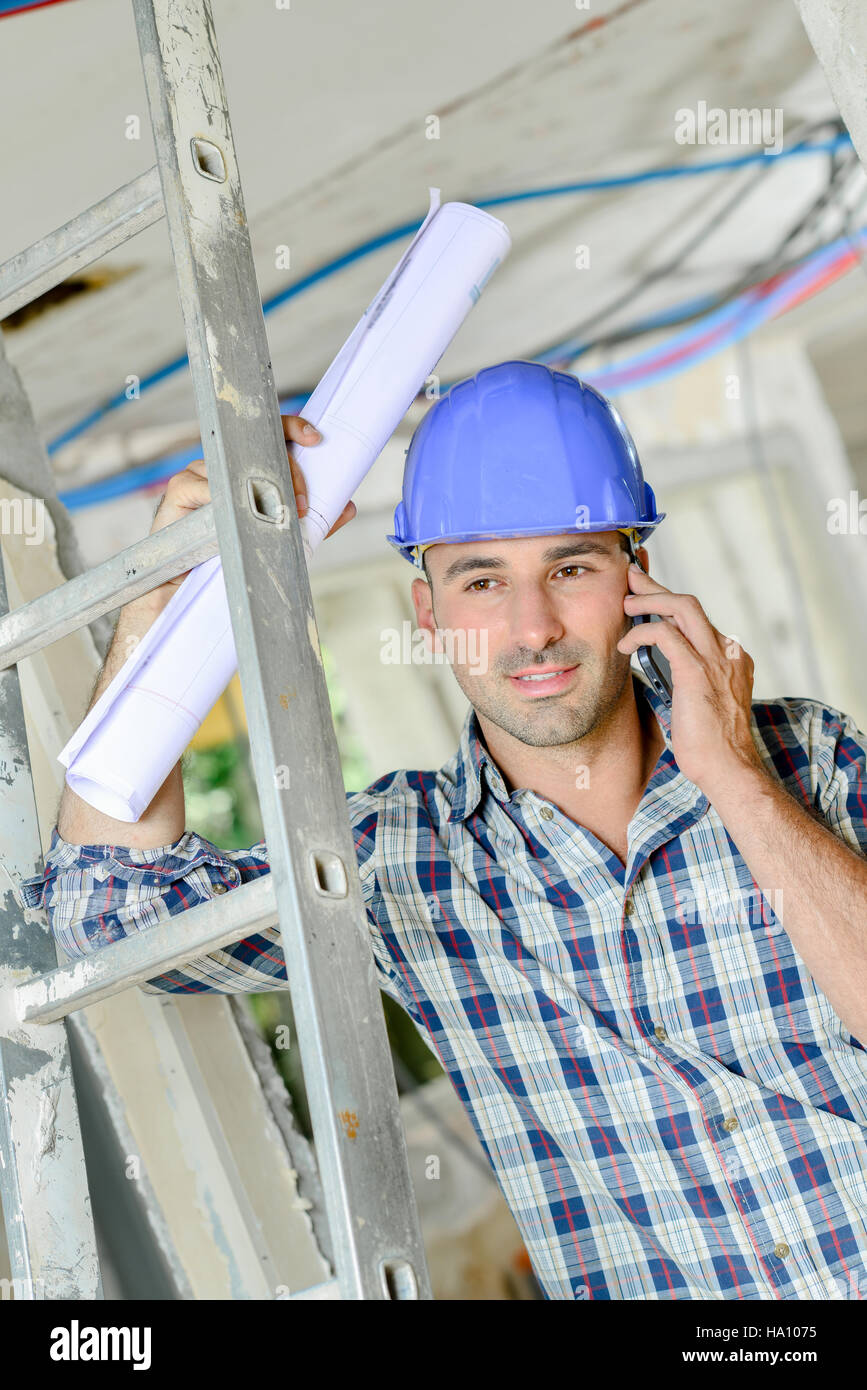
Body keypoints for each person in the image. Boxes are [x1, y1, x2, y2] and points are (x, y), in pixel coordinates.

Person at [16, 360, 867, 1301]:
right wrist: (166, 599)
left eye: (570, 566)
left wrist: (738, 784)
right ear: (428, 614)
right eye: (480, 581)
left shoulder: (806, 756)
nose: (531, 627)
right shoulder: (397, 860)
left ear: (639, 578)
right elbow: (104, 918)